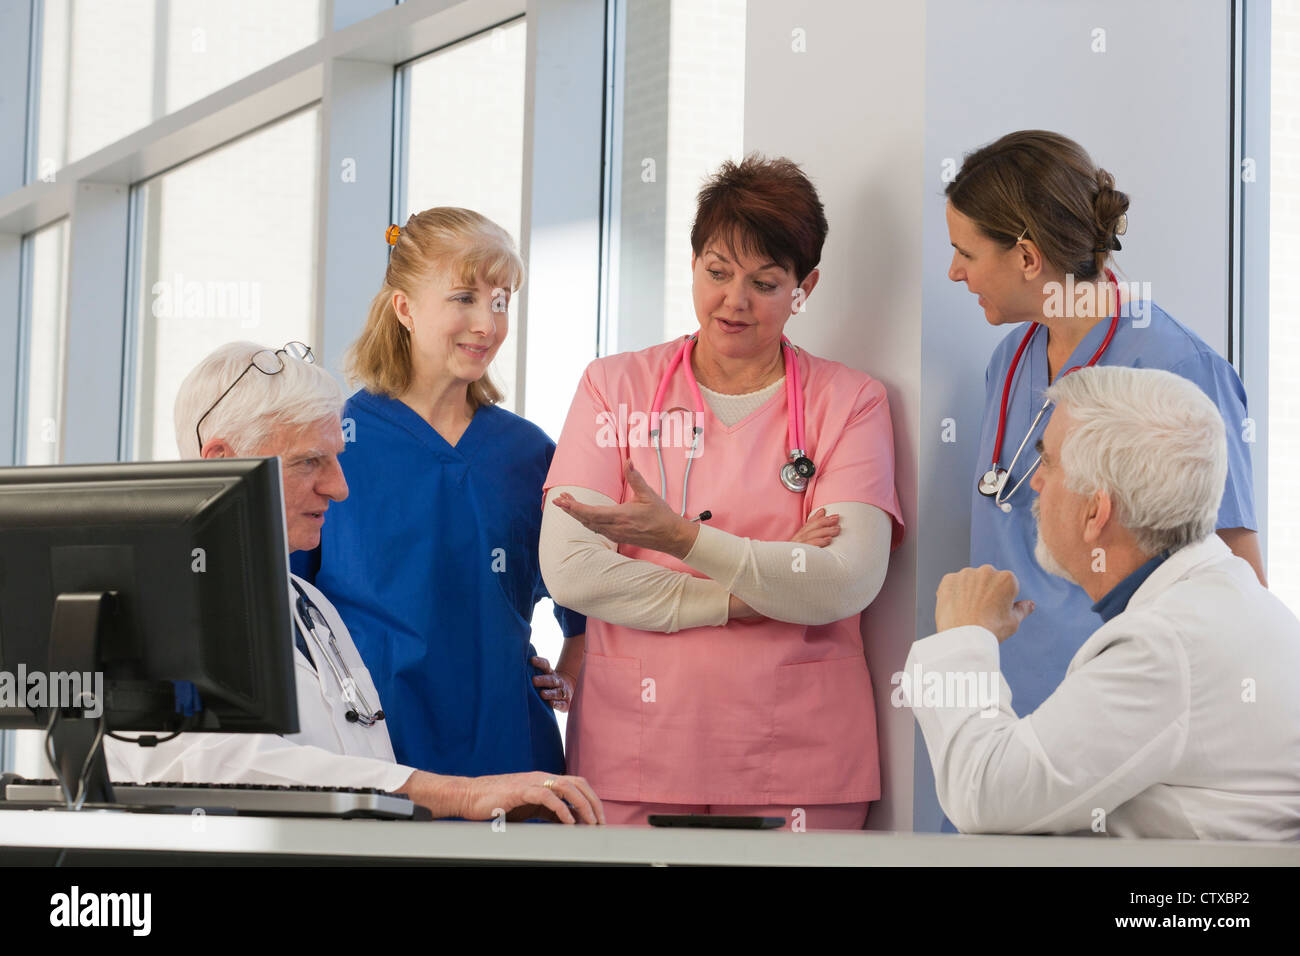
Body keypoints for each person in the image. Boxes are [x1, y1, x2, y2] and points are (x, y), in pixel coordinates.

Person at [540, 155, 905, 829]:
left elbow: (843, 582)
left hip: (798, 757)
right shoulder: (612, 388)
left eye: (765, 283)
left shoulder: (849, 402)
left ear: (805, 286)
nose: (733, 301)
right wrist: (748, 592)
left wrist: (679, 539)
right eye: (717, 272)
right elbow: (572, 572)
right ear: (692, 263)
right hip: (636, 750)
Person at [105, 341, 604, 825]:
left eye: (336, 458)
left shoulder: (310, 608)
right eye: (309, 461)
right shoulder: (144, 608)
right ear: (222, 463)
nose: (339, 487)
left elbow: (364, 763)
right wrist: (462, 794)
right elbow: (215, 766)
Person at [905, 366, 1300, 839]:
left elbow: (986, 794)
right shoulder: (1231, 602)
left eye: (1046, 461)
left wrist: (963, 639)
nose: (1034, 483)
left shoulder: (1164, 646)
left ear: (1096, 511)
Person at [947, 129, 1261, 721]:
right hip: (1004, 705)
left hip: (1124, 712)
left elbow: (1237, 574)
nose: (953, 272)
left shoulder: (1179, 367)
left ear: (1027, 257)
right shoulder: (1009, 362)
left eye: (966, 253)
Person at [292, 208, 584, 778]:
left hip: (510, 753)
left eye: (500, 301)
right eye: (464, 298)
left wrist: (570, 675)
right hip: (376, 757)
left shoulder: (530, 455)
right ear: (404, 307)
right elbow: (285, 605)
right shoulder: (336, 441)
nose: (487, 323)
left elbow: (587, 607)